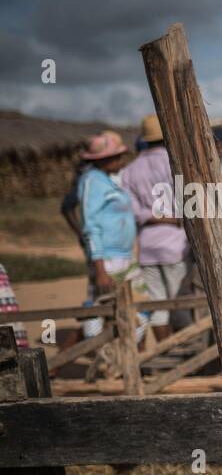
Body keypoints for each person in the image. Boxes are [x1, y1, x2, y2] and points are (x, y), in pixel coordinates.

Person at [119, 114, 191, 339]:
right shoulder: (176, 164)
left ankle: (166, 354)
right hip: (176, 244)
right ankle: (189, 356)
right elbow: (189, 203)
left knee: (159, 305)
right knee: (181, 301)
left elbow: (133, 212)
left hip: (148, 248)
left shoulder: (129, 171)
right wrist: (173, 219)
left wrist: (156, 218)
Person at [75, 132, 148, 342]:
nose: (121, 161)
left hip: (124, 257)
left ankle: (126, 356)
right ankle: (103, 355)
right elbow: (90, 226)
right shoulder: (92, 182)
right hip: (107, 259)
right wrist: (99, 268)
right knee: (101, 309)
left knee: (141, 305)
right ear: (103, 160)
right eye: (117, 157)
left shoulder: (109, 180)